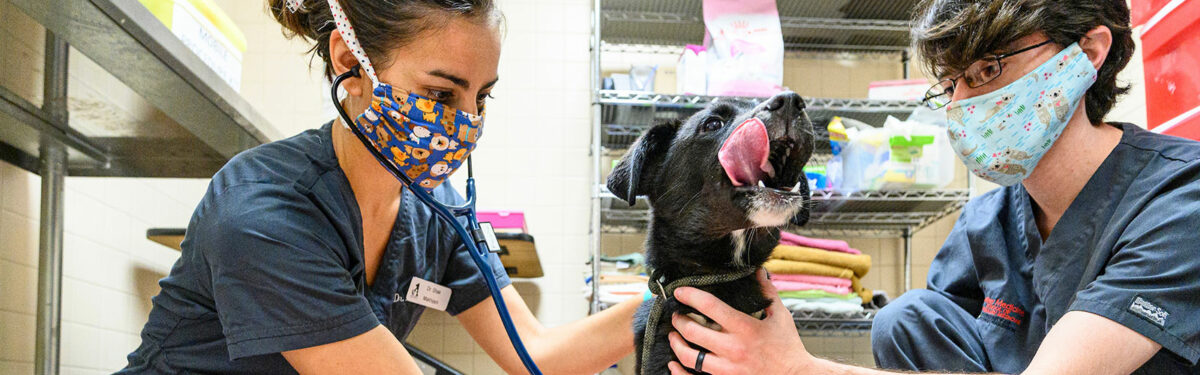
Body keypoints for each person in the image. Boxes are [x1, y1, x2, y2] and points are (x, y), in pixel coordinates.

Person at [661, 1, 1200, 374]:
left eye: (987, 70)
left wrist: (798, 369)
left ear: (1087, 51)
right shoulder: (986, 224)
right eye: (950, 84)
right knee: (905, 320)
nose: (963, 103)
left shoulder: (1179, 197)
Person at [117, 0, 641, 373]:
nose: (468, 123)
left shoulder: (438, 210)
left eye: (482, 98)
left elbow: (537, 354)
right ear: (350, 63)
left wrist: (672, 297)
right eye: (441, 95)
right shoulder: (263, 214)